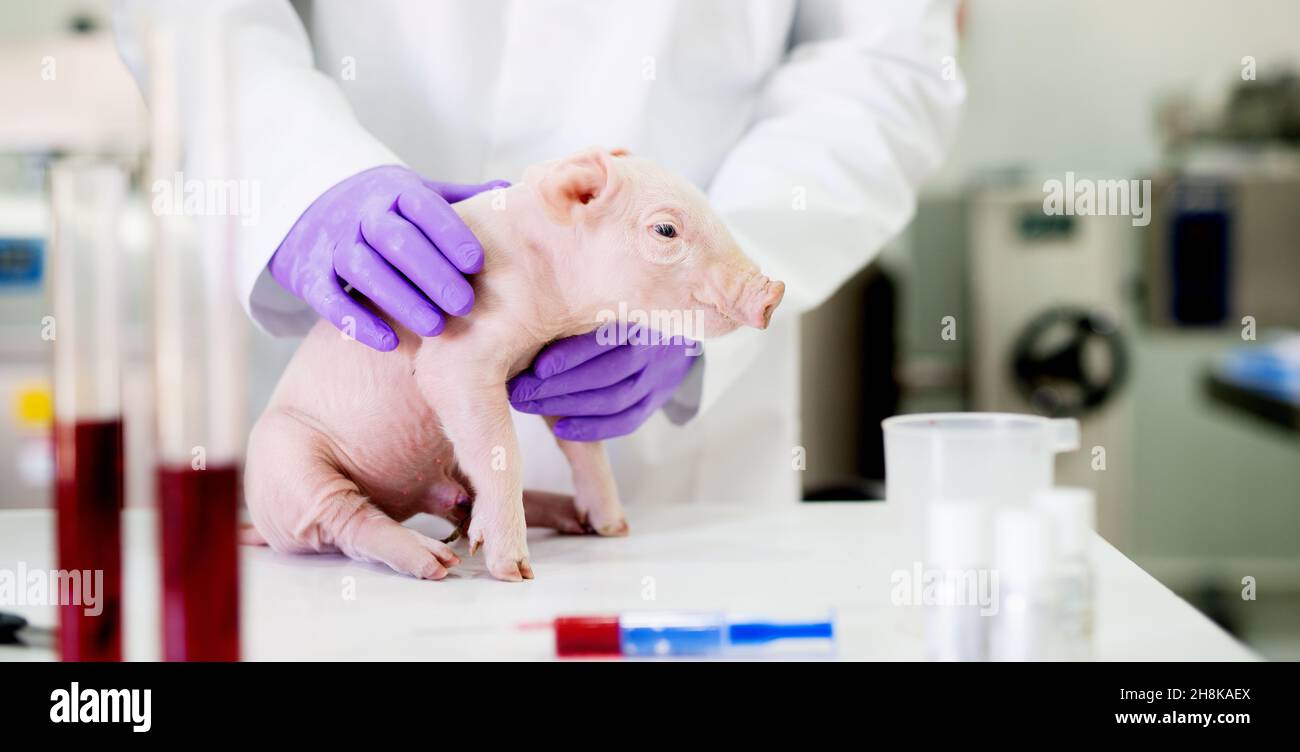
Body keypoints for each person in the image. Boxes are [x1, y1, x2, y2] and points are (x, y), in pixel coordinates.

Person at [116, 0, 964, 508]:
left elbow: (886, 59)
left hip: (677, 479)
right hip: (332, 385)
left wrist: (713, 292)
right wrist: (298, 180)